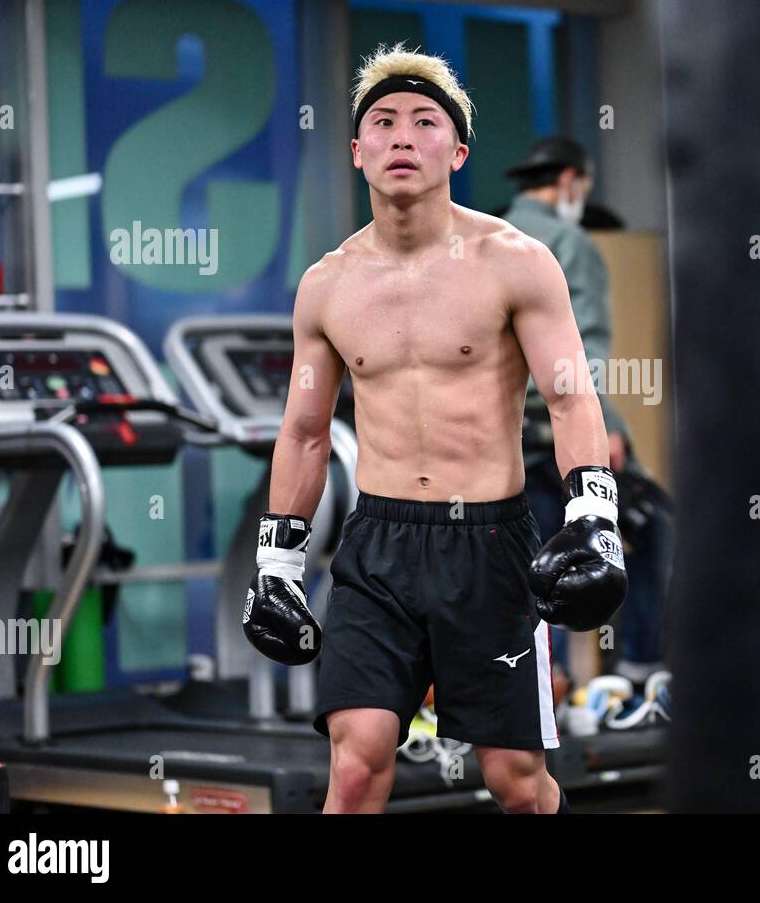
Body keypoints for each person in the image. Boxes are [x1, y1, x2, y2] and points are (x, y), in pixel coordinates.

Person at [241, 42, 628, 814]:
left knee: (516, 781)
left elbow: (570, 398)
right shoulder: (327, 286)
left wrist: (594, 518)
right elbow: (305, 434)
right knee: (355, 762)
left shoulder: (516, 262)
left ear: (457, 148)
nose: (403, 138)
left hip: (489, 548)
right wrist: (277, 564)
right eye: (382, 123)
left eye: (425, 122)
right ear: (358, 152)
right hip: (377, 546)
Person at [500, 137, 670, 687]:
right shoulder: (569, 243)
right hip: (556, 432)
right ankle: (640, 673)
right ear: (572, 181)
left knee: (522, 561)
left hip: (495, 440)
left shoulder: (486, 235)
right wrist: (610, 431)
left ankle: (536, 679)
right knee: (652, 528)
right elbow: (585, 352)